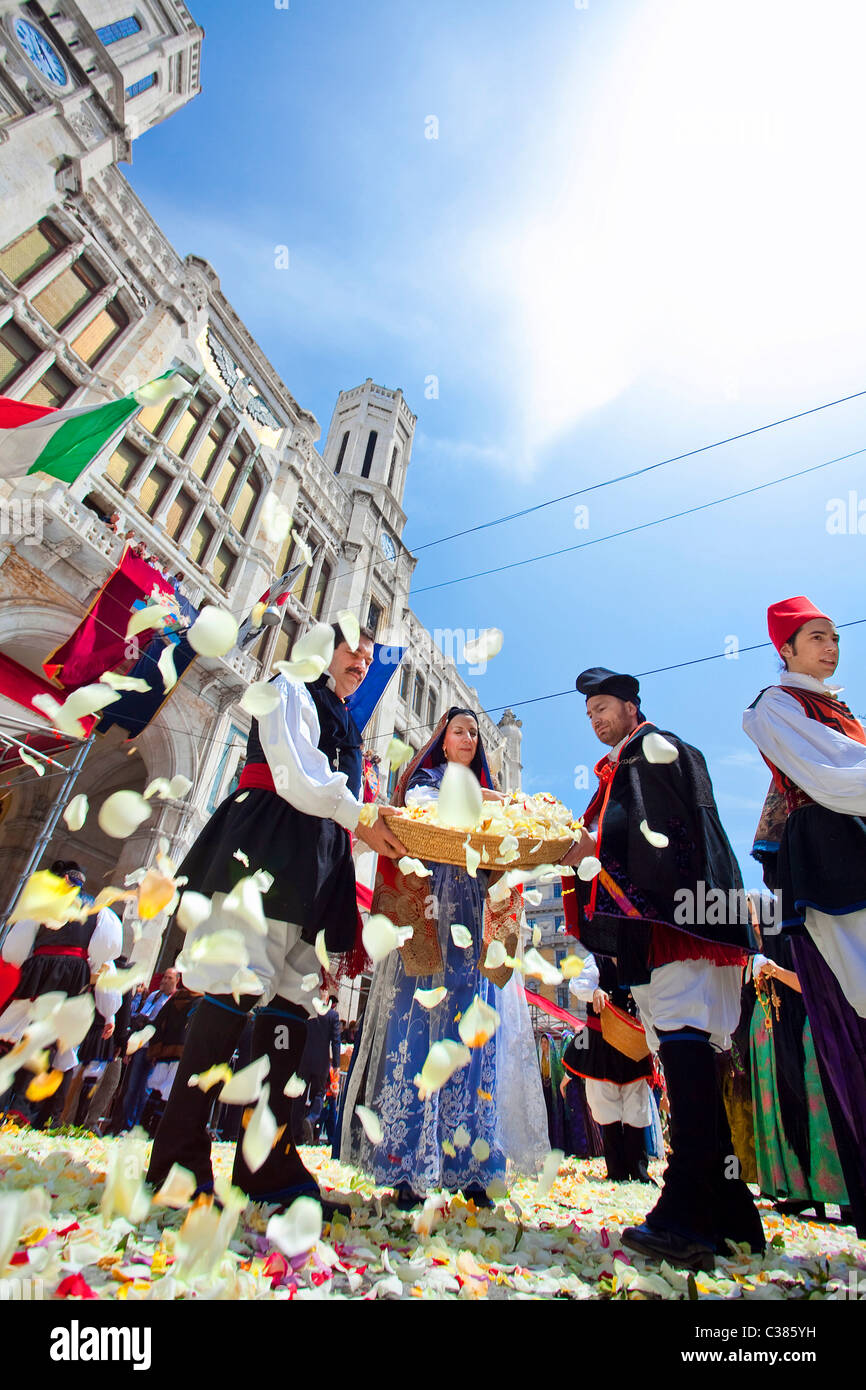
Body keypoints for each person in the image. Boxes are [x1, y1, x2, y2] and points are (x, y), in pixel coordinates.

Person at [146, 624, 404, 1209]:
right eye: (351, 653)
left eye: (367, 658)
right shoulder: (290, 685)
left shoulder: (345, 719)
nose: (361, 664)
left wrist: (382, 832)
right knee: (239, 980)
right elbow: (294, 769)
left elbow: (338, 798)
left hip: (318, 861)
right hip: (263, 846)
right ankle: (177, 1157)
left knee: (294, 997)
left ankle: (265, 1160)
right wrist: (357, 814)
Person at [563, 667, 762, 1271]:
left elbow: (656, 839)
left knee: (682, 1044)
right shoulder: (633, 758)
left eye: (602, 707)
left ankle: (687, 1211)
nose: (595, 719)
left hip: (678, 923)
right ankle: (731, 1213)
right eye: (588, 712)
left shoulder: (651, 751)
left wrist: (586, 855)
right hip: (677, 926)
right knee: (684, 1046)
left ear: (630, 705)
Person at [341, 707, 550, 1207]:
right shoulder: (425, 782)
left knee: (473, 1039)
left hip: (475, 926)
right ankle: (408, 1167)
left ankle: (472, 1166)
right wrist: (494, 802)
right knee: (417, 1033)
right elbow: (431, 812)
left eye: (475, 733)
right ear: (442, 739)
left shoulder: (490, 793)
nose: (469, 739)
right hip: (429, 920)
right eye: (460, 731)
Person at [742, 596, 866, 1237]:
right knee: (852, 1020)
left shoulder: (842, 709)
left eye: (835, 636)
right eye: (815, 637)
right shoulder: (774, 706)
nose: (830, 646)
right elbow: (833, 777)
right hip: (830, 866)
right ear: (785, 649)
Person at [0, 861, 122, 1126]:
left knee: (13, 1034)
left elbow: (15, 951)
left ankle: (8, 1103)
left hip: (39, 972)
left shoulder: (42, 906)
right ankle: (22, 1109)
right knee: (49, 1042)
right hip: (72, 975)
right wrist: (109, 1012)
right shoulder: (100, 913)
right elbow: (104, 959)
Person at [560, 950, 655, 1183]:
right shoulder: (596, 960)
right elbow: (576, 984)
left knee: (636, 1101)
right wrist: (594, 992)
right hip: (602, 1045)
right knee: (605, 1102)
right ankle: (617, 1170)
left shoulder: (638, 960)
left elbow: (651, 995)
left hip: (633, 1043)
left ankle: (639, 1169)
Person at [299, 989, 341, 1144]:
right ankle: (311, 1119)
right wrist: (336, 1064)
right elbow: (336, 1040)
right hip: (322, 1060)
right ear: (327, 997)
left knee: (300, 1094)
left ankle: (297, 1130)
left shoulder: (308, 1012)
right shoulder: (332, 1015)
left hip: (304, 1058)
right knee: (319, 1094)